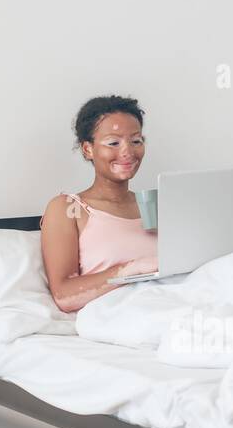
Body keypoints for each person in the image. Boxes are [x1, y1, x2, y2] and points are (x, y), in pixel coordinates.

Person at [40, 94, 159, 313]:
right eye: (113, 142)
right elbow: (64, 295)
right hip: (117, 314)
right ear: (88, 149)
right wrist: (131, 270)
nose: (128, 152)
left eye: (136, 141)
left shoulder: (155, 204)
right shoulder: (66, 208)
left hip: (170, 302)